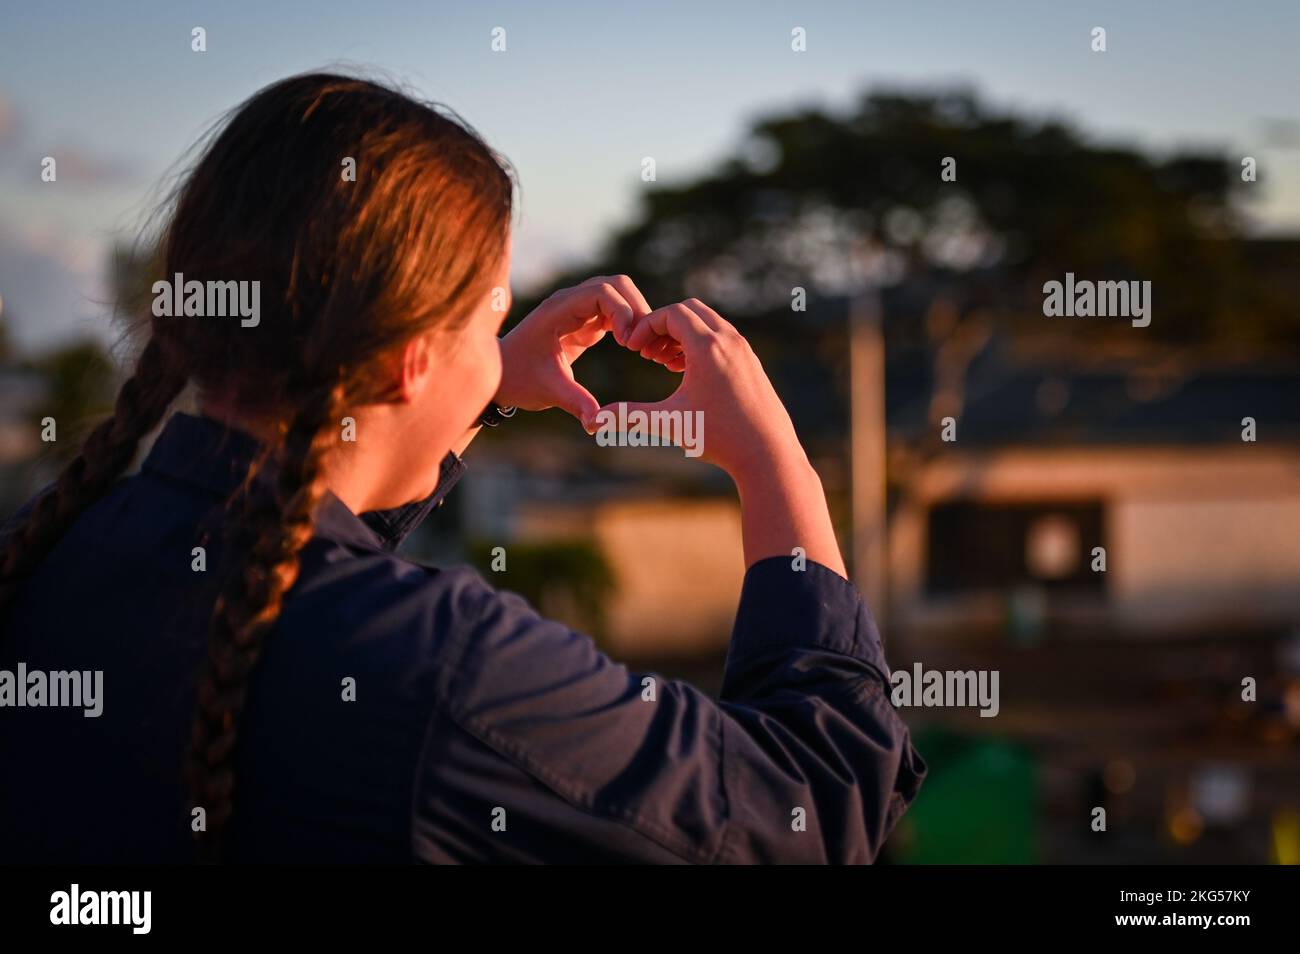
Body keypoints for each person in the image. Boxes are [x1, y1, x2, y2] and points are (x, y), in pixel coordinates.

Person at [0, 72, 924, 864]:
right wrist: (773, 457)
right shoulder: (449, 668)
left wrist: (473, 386)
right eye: (489, 324)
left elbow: (305, 549)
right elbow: (813, 803)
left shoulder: (48, 548)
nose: (499, 353)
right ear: (409, 360)